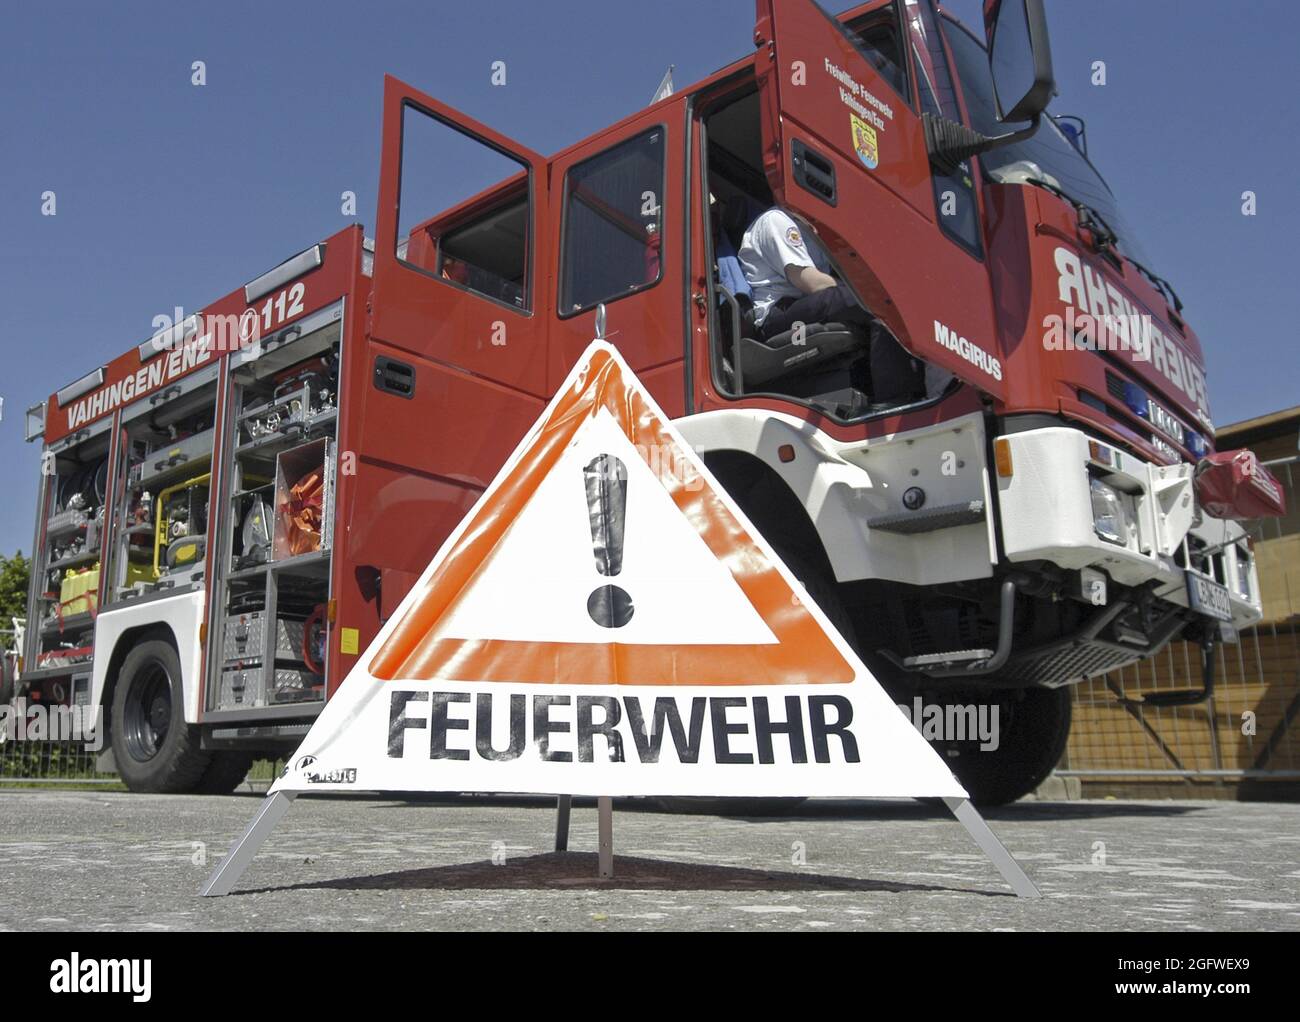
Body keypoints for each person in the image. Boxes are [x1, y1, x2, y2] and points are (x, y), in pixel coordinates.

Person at [737, 207, 919, 404]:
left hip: (803, 304)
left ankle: (908, 395)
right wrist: (862, 293)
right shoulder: (777, 220)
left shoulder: (812, 230)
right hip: (776, 314)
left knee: (881, 307)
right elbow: (810, 282)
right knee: (875, 302)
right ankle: (894, 403)